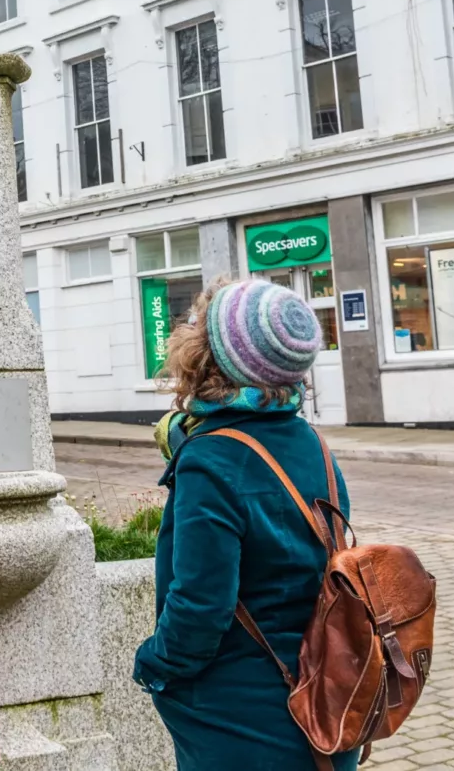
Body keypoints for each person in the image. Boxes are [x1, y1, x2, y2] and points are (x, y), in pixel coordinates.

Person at [133, 278, 357, 771]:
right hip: (322, 703)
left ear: (208, 358)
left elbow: (200, 606)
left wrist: (154, 665)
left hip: (240, 718)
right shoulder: (310, 443)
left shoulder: (211, 460)